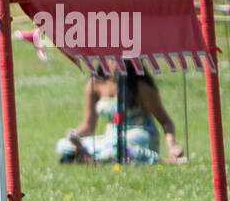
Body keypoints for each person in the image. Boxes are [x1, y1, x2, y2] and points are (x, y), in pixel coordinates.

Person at [57, 69, 186, 164]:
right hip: (111, 137)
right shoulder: (95, 82)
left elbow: (165, 121)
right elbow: (88, 126)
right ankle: (96, 159)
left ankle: (165, 161)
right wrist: (74, 136)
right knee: (63, 145)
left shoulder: (139, 86)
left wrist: (172, 146)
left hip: (139, 133)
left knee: (118, 148)